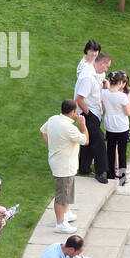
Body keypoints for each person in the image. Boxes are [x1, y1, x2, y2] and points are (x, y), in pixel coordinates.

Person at [41, 99, 88, 234]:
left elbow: (43, 132)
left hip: (61, 163)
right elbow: (85, 141)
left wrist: (51, 147)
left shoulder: (53, 119)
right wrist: (83, 125)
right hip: (64, 166)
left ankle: (66, 213)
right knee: (61, 195)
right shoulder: (69, 128)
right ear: (73, 112)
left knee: (67, 191)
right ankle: (60, 223)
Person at [74, 50, 111, 182]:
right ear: (101, 64)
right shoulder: (88, 77)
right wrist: (89, 115)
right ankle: (101, 171)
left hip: (95, 111)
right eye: (107, 66)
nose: (107, 69)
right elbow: (79, 98)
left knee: (88, 140)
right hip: (88, 112)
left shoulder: (98, 73)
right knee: (99, 140)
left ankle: (84, 167)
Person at [99, 70, 130, 185]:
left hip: (110, 125)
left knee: (111, 150)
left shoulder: (103, 93)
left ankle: (110, 175)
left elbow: (103, 108)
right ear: (121, 83)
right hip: (122, 126)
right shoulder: (122, 97)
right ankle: (123, 178)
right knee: (122, 152)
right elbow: (128, 112)